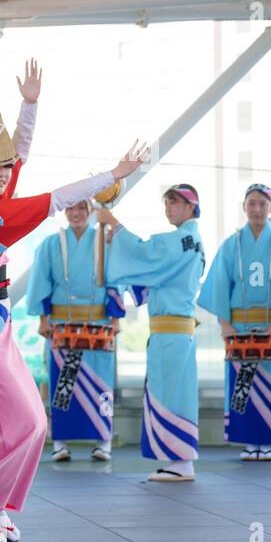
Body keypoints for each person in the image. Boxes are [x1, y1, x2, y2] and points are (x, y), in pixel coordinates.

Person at [0, 61, 147, 541]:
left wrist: (29, 104)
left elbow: (19, 153)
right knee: (30, 423)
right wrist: (114, 172)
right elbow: (59, 197)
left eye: (6, 167)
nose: (7, 170)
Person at [99, 184, 206, 481]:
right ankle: (178, 459)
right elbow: (153, 271)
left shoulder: (184, 239)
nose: (169, 208)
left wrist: (116, 227)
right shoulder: (188, 240)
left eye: (174, 202)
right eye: (167, 203)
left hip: (172, 331)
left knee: (171, 394)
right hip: (172, 331)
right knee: (170, 392)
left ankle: (182, 461)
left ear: (190, 207)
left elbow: (147, 254)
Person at [198, 184, 271, 461]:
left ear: (270, 208)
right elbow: (218, 283)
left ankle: (267, 443)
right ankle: (247, 442)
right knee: (242, 384)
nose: (256, 209)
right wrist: (224, 324)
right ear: (244, 207)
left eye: (262, 204)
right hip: (239, 328)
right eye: (252, 203)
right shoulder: (232, 245)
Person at [26, 199, 124, 462]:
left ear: (90, 212)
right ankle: (59, 442)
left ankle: (104, 441)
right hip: (61, 322)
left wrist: (115, 318)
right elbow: (41, 282)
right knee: (62, 383)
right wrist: (43, 319)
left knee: (100, 381)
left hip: (99, 322)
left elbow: (115, 279)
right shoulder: (50, 244)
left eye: (82, 209)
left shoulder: (105, 242)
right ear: (65, 212)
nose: (76, 214)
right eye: (72, 209)